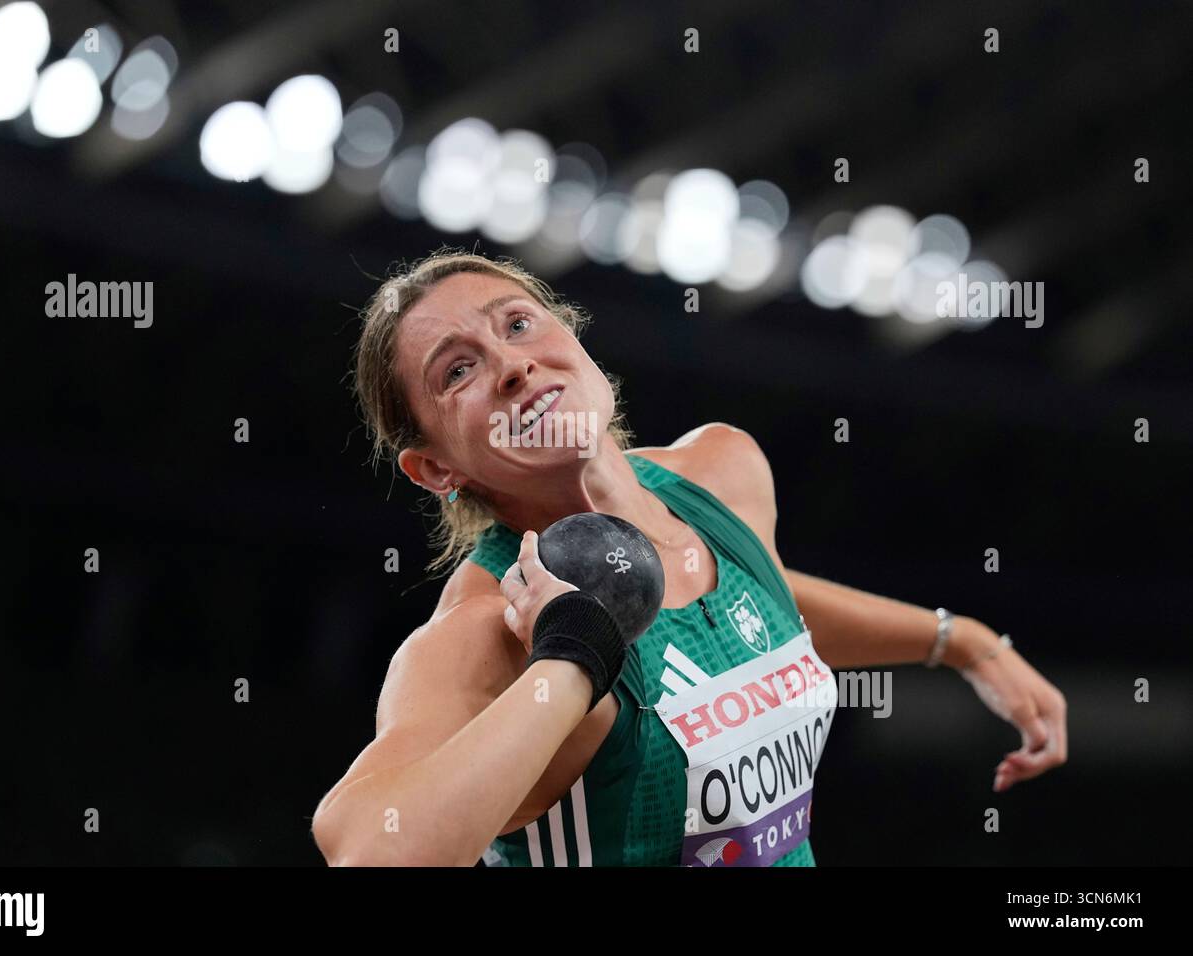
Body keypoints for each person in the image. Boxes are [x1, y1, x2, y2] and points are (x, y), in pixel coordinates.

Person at [311, 250, 1068, 867]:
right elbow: (372, 852)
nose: (512, 364)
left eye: (517, 323)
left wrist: (958, 640)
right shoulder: (489, 630)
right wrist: (575, 654)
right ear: (436, 470)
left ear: (572, 338)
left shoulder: (721, 474)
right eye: (458, 371)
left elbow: (764, 608)